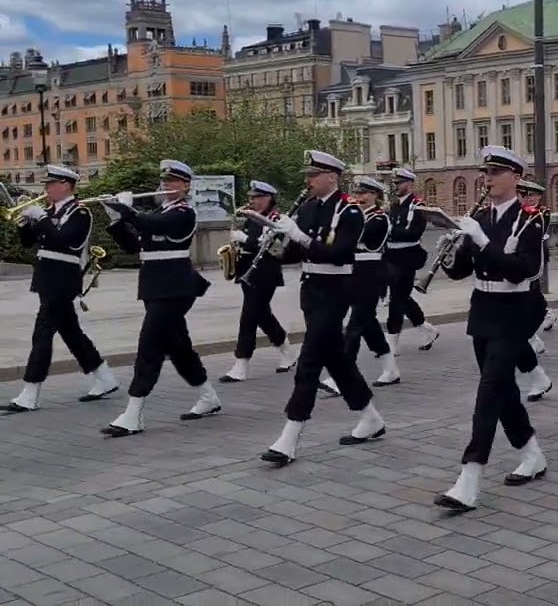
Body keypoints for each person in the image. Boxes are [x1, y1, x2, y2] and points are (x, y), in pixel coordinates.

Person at [434, 146, 548, 512]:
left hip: (516, 312)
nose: (489, 178)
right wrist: (451, 252)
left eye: (497, 172)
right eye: (486, 172)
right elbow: (462, 271)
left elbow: (525, 270)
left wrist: (483, 242)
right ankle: (531, 454)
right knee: (502, 391)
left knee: (488, 393)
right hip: (483, 311)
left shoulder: (532, 219)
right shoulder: (480, 217)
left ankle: (469, 477)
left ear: (516, 177)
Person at [260, 150, 386, 464]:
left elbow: (340, 253)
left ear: (332, 176)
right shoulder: (308, 207)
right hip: (312, 290)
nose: (308, 181)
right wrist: (276, 241)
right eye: (307, 175)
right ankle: (371, 418)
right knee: (337, 360)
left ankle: (289, 437)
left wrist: (299, 236)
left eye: (313, 175)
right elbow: (295, 254)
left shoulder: (350, 210)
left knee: (309, 362)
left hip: (336, 290)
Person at [100, 160, 221, 436]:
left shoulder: (184, 213)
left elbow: (152, 223)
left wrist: (127, 210)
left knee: (150, 345)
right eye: (164, 180)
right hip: (155, 287)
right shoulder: (160, 210)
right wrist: (116, 219)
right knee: (178, 346)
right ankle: (208, 396)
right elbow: (134, 245)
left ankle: (133, 412)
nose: (166, 185)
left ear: (186, 186)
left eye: (174, 181)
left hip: (176, 288)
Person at [5, 166, 116, 412]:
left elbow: (65, 241)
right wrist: (25, 223)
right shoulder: (50, 210)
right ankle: (104, 376)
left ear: (66, 185)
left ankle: (30, 392)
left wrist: (42, 219)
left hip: (63, 280)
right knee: (70, 332)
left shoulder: (80, 212)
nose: (45, 188)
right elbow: (28, 243)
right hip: (47, 278)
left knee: (42, 333)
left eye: (50, 184)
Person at [320, 175, 397, 394]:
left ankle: (341, 377)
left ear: (375, 196)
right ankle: (390, 368)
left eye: (364, 193)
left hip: (371, 277)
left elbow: (356, 237)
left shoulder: (379, 219)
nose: (359, 197)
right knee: (368, 326)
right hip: (353, 275)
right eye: (357, 193)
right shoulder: (355, 216)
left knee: (354, 328)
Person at [221, 180, 296, 383]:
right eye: (250, 198)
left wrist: (245, 240)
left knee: (249, 317)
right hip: (247, 271)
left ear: (268, 198)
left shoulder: (276, 219)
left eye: (255, 197)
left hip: (265, 273)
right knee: (262, 316)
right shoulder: (251, 217)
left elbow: (275, 247)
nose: (251, 201)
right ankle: (287, 352)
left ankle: (241, 364)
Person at [384, 168, 440, 353]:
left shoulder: (418, 205)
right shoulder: (395, 205)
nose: (396, 187)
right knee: (402, 298)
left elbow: (414, 232)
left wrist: (390, 231)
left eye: (399, 183)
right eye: (394, 183)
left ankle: (391, 343)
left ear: (409, 184)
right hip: (391, 256)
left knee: (397, 299)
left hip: (407, 257)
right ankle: (427, 329)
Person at [514, 178, 553, 401]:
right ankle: (538, 376)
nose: (529, 198)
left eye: (532, 195)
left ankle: (537, 376)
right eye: (525, 194)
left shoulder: (538, 214)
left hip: (528, 270)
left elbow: (536, 235)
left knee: (533, 305)